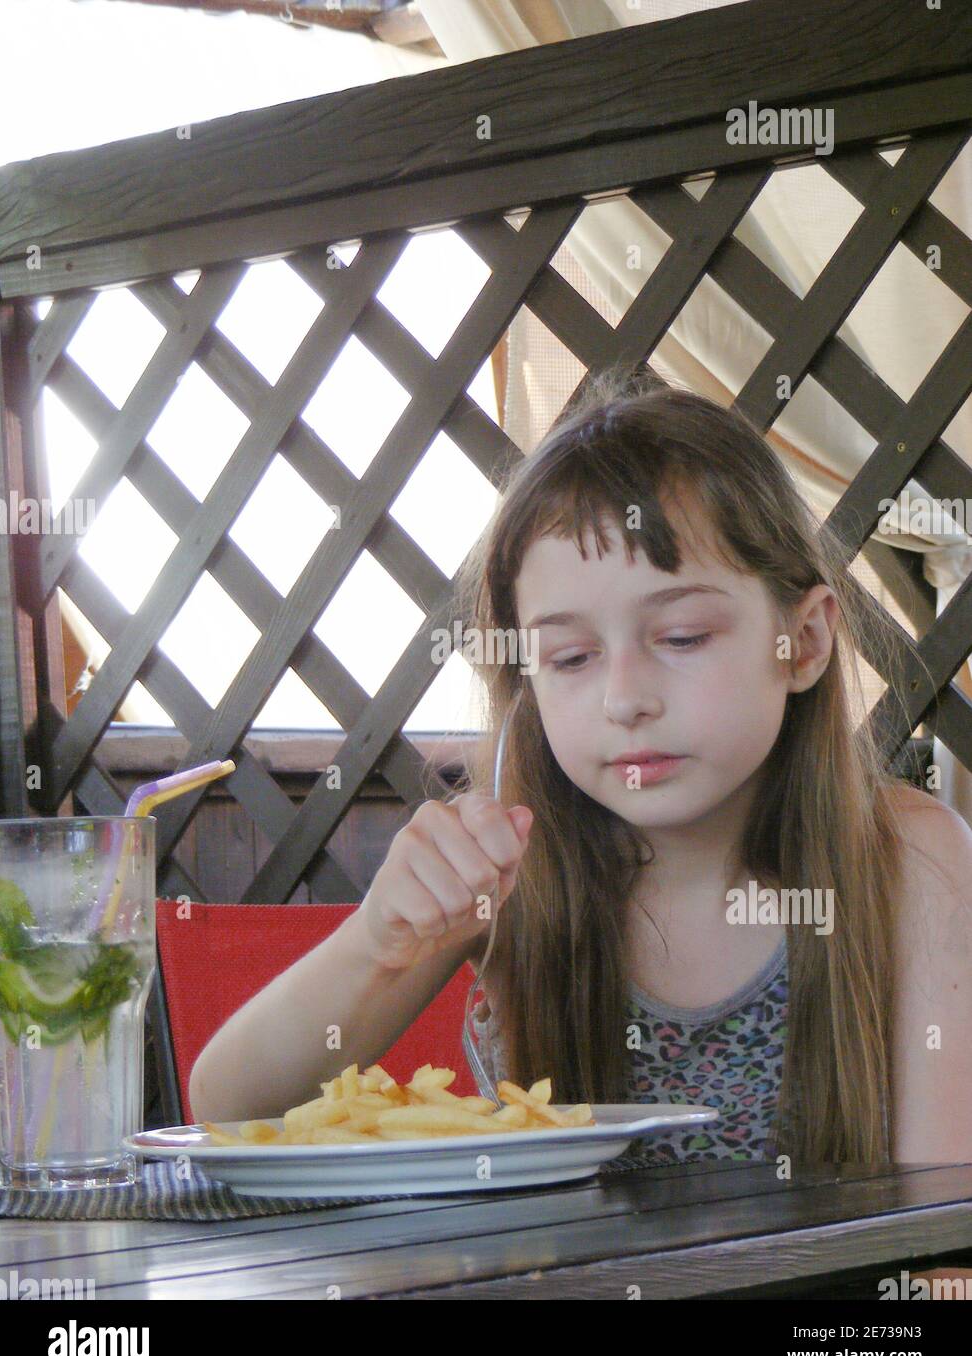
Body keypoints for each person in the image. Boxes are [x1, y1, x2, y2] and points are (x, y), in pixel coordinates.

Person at [189, 366, 972, 1183]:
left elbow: (945, 1244)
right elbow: (229, 1105)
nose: (625, 698)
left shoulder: (908, 859)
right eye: (571, 657)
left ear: (803, 642)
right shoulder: (504, 875)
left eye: (681, 637)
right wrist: (382, 942)